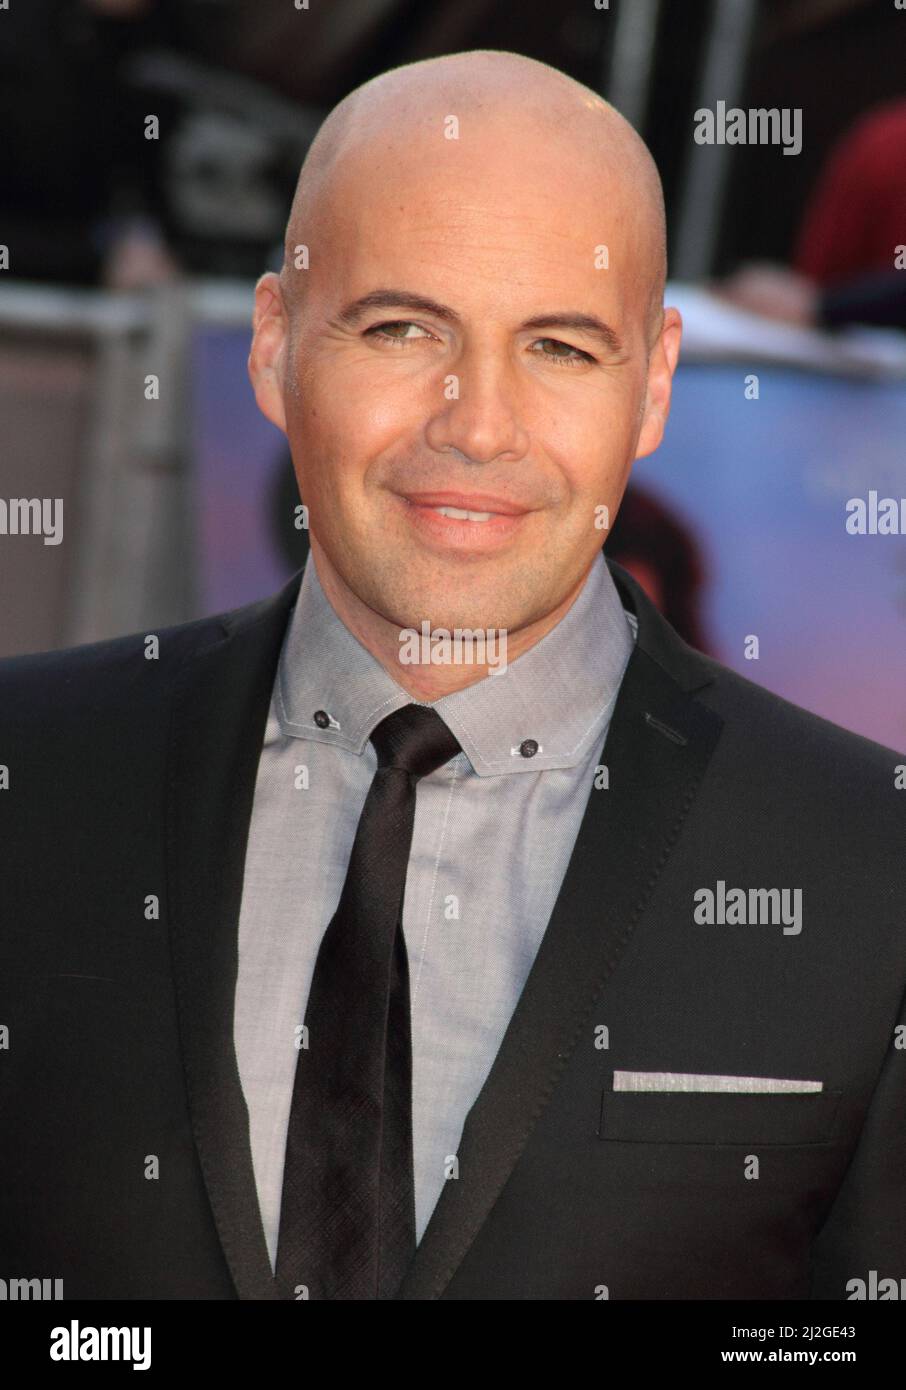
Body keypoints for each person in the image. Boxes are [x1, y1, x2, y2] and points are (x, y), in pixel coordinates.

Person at [1, 49, 904, 1302]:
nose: (477, 423)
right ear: (272, 347)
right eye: (403, 328)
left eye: (561, 347)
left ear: (654, 385)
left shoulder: (873, 863)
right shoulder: (30, 779)